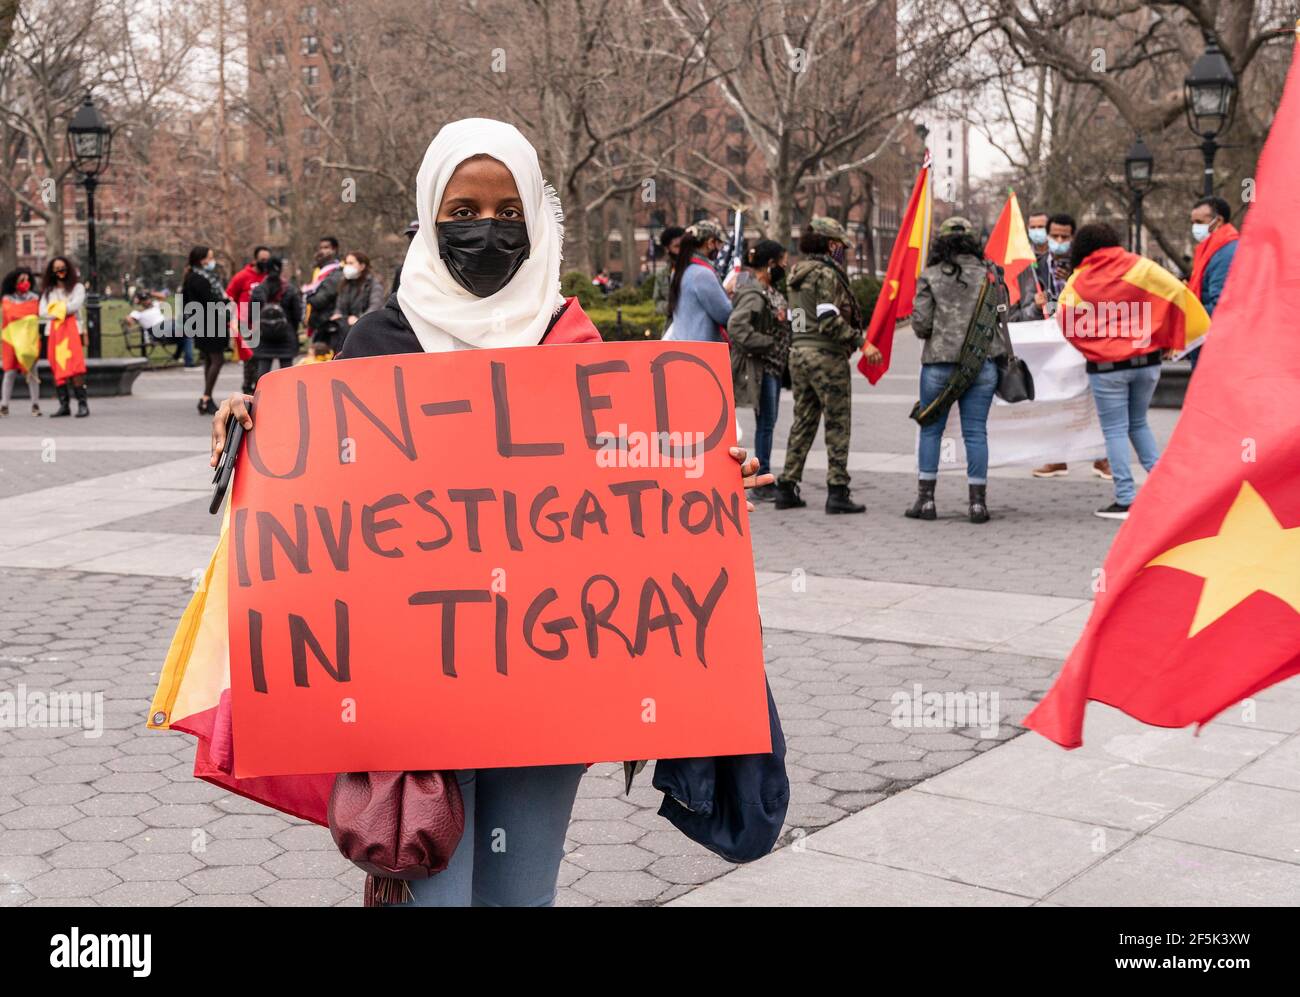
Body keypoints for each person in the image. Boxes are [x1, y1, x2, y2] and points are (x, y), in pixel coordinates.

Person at [209, 118, 769, 908]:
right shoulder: (377, 342)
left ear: (537, 219)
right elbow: (326, 481)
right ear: (428, 215)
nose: (488, 229)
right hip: (415, 709)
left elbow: (627, 480)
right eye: (464, 209)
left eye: (510, 212)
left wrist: (704, 476)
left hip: (550, 691)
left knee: (522, 897)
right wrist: (259, 427)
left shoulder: (572, 343)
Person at [1056, 222, 1208, 520]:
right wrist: (1166, 339)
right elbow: (1179, 293)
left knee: (1114, 430)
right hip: (1148, 363)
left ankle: (1126, 498)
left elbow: (1065, 319)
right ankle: (1168, 489)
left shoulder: (1079, 280)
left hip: (1107, 368)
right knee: (1139, 424)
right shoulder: (1142, 268)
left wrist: (1094, 348)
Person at [905, 217, 1010, 524]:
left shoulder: (930, 276)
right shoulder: (991, 276)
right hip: (982, 364)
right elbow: (1004, 314)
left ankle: (926, 501)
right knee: (975, 432)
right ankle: (977, 504)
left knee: (931, 430)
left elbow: (921, 324)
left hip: (938, 364)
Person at [774, 215, 880, 514]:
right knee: (837, 423)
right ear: (830, 244)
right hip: (826, 356)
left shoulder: (796, 271)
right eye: (840, 246)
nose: (842, 252)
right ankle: (837, 491)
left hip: (798, 353)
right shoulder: (826, 274)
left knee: (803, 421)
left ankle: (787, 486)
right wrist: (863, 343)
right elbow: (828, 319)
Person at [1026, 212, 1111, 482]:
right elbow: (1023, 310)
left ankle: (1102, 458)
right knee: (1057, 400)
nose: (1060, 241)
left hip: (1085, 342)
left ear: (1074, 238)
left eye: (1065, 236)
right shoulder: (1034, 267)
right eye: (1055, 236)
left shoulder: (1088, 268)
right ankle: (1056, 458)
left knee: (1093, 400)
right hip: (1052, 344)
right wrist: (1038, 303)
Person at [727, 239, 790, 502]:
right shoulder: (754, 292)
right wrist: (768, 343)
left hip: (774, 367)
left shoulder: (769, 290)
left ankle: (763, 473)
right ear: (771, 263)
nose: (786, 266)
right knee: (765, 422)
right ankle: (762, 476)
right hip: (762, 367)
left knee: (769, 421)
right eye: (783, 262)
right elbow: (737, 327)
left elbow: (788, 319)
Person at [1186, 195, 1239, 369]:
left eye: (1200, 221)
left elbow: (1220, 304)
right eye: (1193, 222)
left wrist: (1186, 312)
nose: (1195, 227)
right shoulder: (1214, 249)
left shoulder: (1224, 253)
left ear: (1218, 221)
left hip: (1214, 346)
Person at [665, 218, 731, 342]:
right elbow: (725, 315)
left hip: (683, 345)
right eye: (719, 243)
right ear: (710, 243)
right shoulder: (702, 274)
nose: (719, 249)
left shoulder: (680, 269)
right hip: (703, 351)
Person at [183, 245, 231, 414]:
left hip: (202, 323)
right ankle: (205, 398)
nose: (212, 261)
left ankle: (207, 398)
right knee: (217, 360)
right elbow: (211, 302)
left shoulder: (192, 277)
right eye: (210, 258)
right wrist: (226, 302)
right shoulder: (201, 279)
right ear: (202, 260)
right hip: (210, 323)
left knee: (210, 360)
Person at [39, 256, 89, 418]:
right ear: (51, 272)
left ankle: (82, 404)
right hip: (52, 334)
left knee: (75, 368)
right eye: (56, 268)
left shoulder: (77, 288)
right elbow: (42, 312)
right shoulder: (48, 291)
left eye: (62, 267)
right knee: (57, 367)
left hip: (72, 332)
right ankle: (64, 405)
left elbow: (75, 306)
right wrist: (63, 310)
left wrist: (55, 309)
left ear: (68, 269)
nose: (59, 271)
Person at [247, 256, 303, 388]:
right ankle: (288, 400)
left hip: (263, 335)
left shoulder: (258, 290)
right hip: (286, 335)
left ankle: (262, 403)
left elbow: (251, 315)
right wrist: (291, 329)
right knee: (287, 372)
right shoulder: (290, 289)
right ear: (281, 270)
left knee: (262, 374)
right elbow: (297, 315)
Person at [228, 246, 272, 394]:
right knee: (250, 358)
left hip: (265, 323)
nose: (265, 263)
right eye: (262, 260)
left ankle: (261, 388)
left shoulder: (269, 277)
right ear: (255, 260)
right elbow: (230, 297)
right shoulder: (242, 276)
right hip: (246, 323)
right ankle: (248, 388)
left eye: (268, 260)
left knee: (264, 357)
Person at [1, 267, 42, 416]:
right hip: (11, 340)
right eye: (21, 280)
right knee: (9, 372)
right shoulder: (7, 298)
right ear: (14, 282)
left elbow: (30, 312)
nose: (25, 283)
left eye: (27, 280)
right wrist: (25, 312)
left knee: (32, 371)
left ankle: (35, 404)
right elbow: (11, 314)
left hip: (29, 340)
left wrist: (21, 312)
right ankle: (4, 405)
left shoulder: (34, 297)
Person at [331, 250, 385, 350]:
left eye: (351, 263)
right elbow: (339, 306)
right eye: (346, 263)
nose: (347, 266)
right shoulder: (345, 284)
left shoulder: (373, 285)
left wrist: (359, 319)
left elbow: (375, 306)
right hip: (345, 332)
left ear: (362, 266)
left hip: (366, 331)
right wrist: (337, 315)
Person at [304, 235, 344, 357]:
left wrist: (307, 296)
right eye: (321, 248)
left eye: (326, 247)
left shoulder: (336, 272)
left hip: (329, 323)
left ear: (335, 249)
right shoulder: (319, 271)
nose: (322, 251)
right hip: (319, 323)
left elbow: (321, 298)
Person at [652, 224, 684, 317]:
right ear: (667, 249)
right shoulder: (662, 274)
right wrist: (670, 307)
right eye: (677, 246)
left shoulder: (698, 270)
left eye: (684, 246)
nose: (682, 250)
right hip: (673, 325)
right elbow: (657, 301)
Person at [391, 219, 419, 294]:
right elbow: (394, 294)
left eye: (416, 235)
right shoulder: (402, 268)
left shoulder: (436, 264)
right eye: (410, 236)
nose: (413, 239)